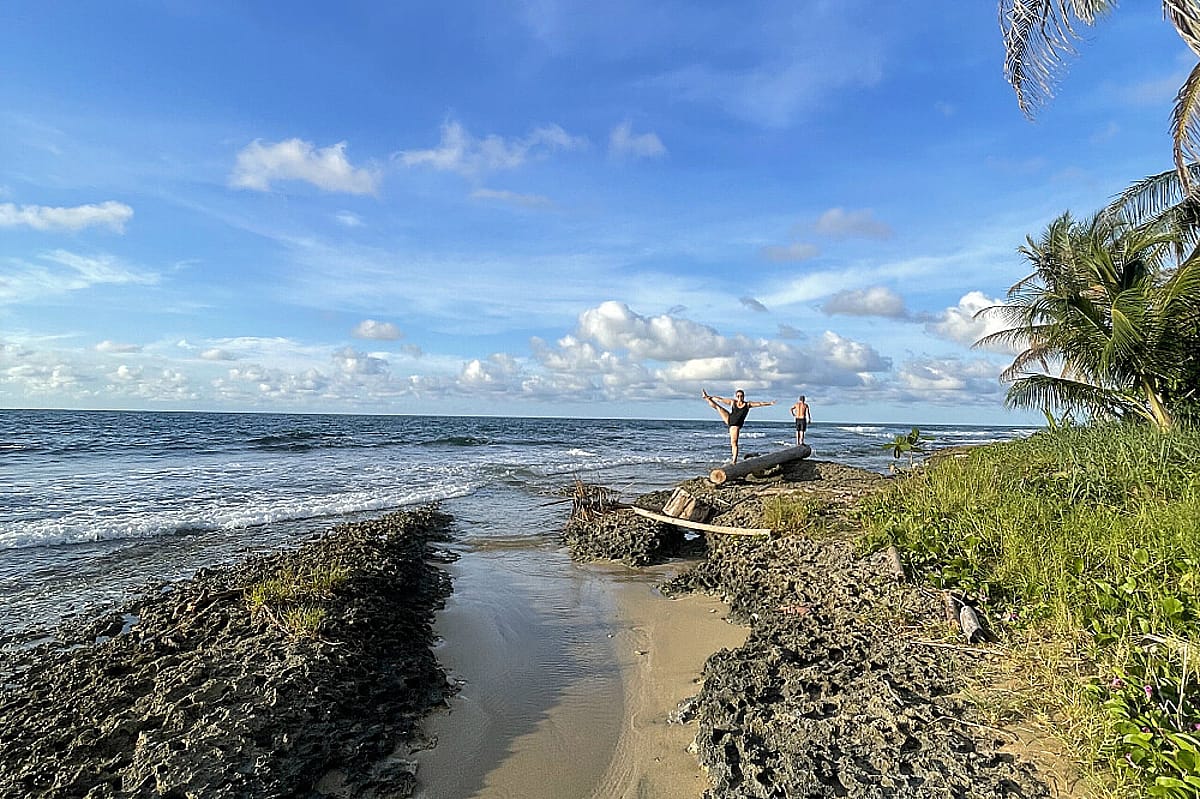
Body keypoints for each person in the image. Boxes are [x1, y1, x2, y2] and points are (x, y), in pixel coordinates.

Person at [702, 388, 775, 463]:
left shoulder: (747, 405)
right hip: (729, 419)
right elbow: (721, 399)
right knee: (718, 407)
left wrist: (769, 403)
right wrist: (710, 397)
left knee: (734, 442)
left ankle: (734, 460)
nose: (740, 398)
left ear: (743, 396)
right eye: (738, 396)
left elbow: (759, 404)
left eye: (741, 396)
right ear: (736, 396)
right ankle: (706, 397)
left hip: (735, 425)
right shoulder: (733, 402)